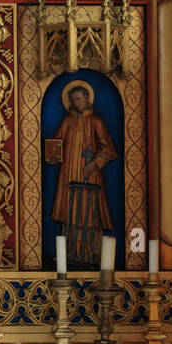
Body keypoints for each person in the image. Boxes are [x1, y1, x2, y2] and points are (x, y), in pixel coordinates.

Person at [47, 83, 117, 268]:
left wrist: (95, 162)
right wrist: (53, 156)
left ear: (87, 98)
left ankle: (92, 254)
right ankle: (69, 254)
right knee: (70, 213)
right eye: (73, 100)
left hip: (89, 175)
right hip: (69, 174)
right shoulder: (68, 121)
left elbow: (109, 149)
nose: (75, 103)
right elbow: (56, 143)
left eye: (78, 99)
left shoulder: (97, 122)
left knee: (88, 213)